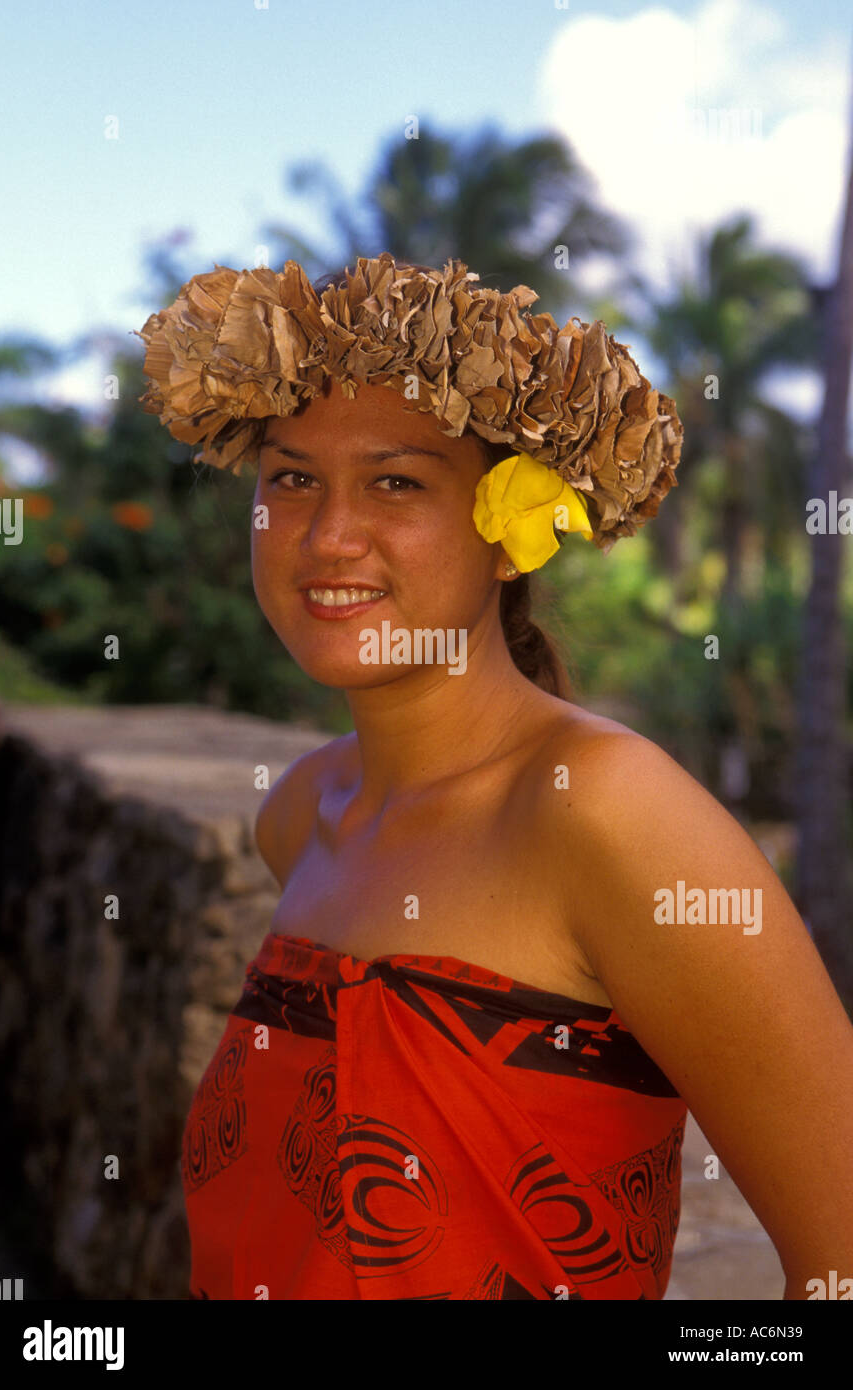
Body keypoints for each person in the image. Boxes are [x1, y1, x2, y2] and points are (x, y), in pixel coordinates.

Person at [137, 253, 853, 1301]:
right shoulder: (302, 814)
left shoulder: (610, 814)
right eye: (292, 478)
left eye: (397, 481)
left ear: (509, 533)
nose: (329, 536)